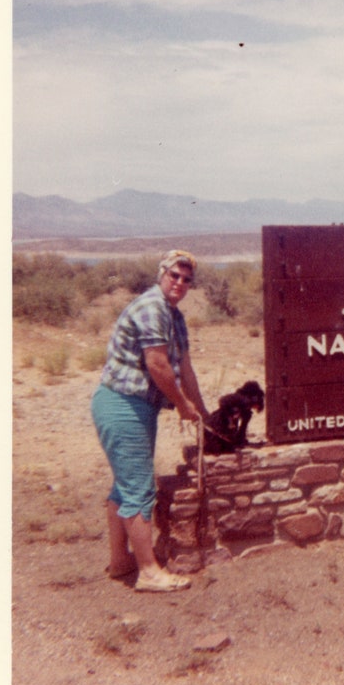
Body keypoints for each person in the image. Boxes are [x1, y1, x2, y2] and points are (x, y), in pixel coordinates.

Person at [91, 249, 211, 592]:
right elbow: (158, 365)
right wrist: (183, 405)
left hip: (140, 407)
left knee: (124, 486)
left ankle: (120, 561)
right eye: (175, 275)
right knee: (140, 489)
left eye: (187, 279)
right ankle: (148, 571)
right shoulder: (151, 307)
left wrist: (200, 410)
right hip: (121, 404)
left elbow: (184, 367)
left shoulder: (174, 316)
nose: (180, 283)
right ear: (162, 273)